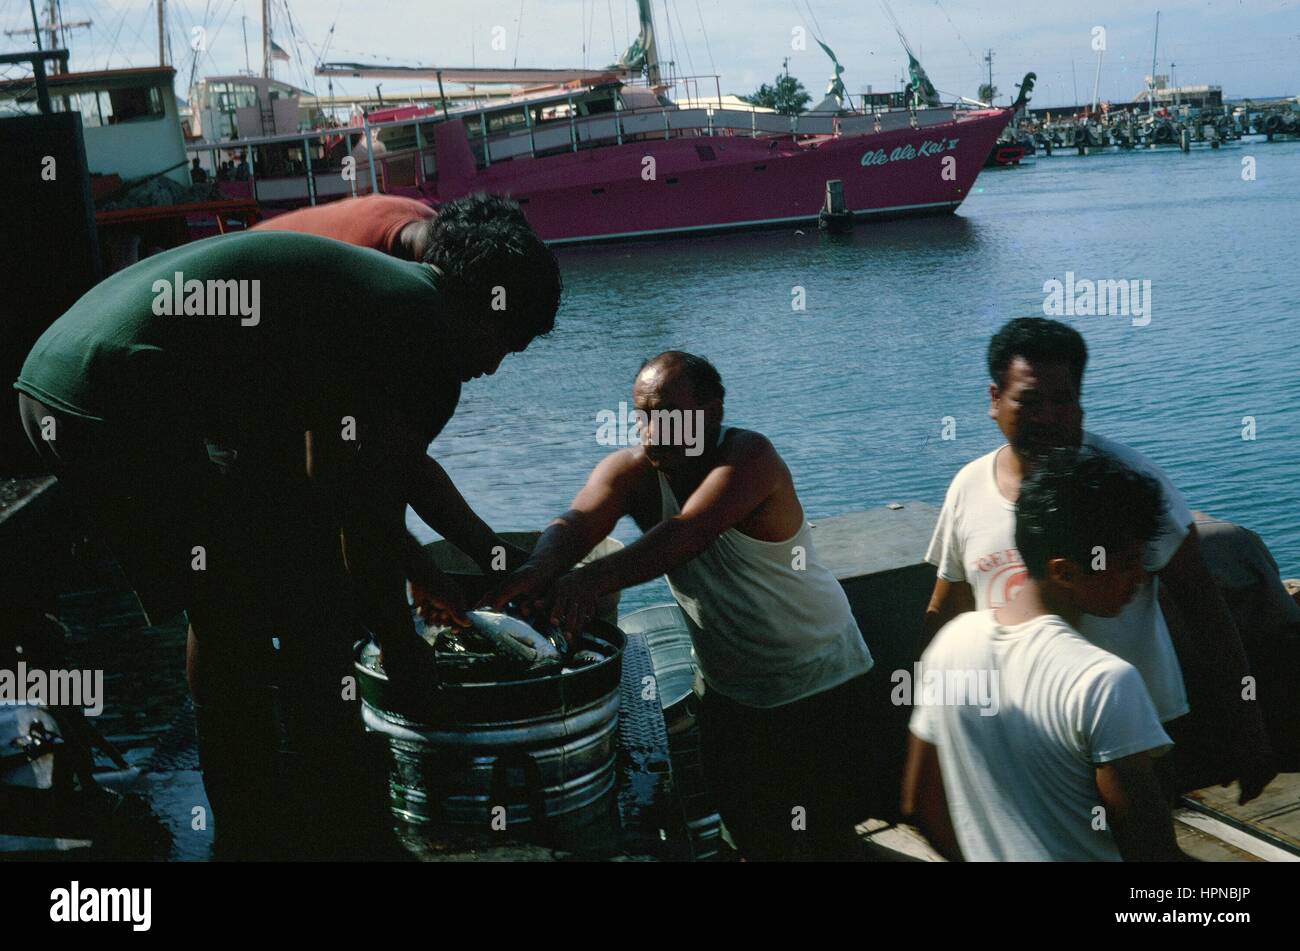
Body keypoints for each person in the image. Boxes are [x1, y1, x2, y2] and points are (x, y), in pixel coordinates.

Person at [14, 220, 561, 857]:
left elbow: (374, 468)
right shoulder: (425, 336)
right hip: (113, 399)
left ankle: (291, 779)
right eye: (509, 343)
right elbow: (368, 515)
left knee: (287, 558)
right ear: (485, 305)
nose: (495, 367)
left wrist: (488, 557)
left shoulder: (385, 299)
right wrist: (398, 641)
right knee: (225, 607)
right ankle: (252, 824)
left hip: (64, 371)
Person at [483, 351, 877, 860]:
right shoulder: (633, 472)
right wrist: (536, 572)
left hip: (820, 680)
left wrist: (584, 583)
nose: (651, 432)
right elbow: (578, 520)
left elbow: (685, 533)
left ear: (712, 412)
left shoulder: (749, 458)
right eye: (643, 415)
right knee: (751, 837)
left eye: (668, 415)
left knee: (825, 841)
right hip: (728, 691)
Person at [923, 317, 1274, 803]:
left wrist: (1248, 728)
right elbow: (949, 610)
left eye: (1064, 400)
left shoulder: (1129, 484)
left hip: (1135, 734)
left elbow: (1204, 608)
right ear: (995, 400)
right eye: (1030, 401)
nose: (1048, 416)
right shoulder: (967, 488)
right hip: (1024, 736)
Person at [903, 447, 1191, 861]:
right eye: (1128, 562)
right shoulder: (1104, 682)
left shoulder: (949, 645)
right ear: (1064, 571)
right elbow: (1152, 854)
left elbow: (919, 805)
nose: (1141, 577)